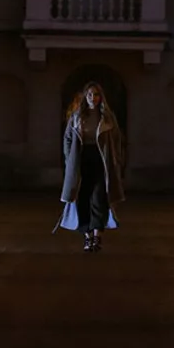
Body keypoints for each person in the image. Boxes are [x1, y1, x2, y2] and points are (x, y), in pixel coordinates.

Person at [55, 81, 125, 252]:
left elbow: (116, 139)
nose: (93, 98)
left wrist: (115, 158)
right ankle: (87, 236)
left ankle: (97, 236)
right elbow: (68, 139)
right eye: (89, 95)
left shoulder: (107, 117)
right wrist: (69, 158)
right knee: (82, 197)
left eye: (96, 94)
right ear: (85, 97)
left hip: (101, 159)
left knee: (99, 197)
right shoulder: (77, 117)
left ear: (101, 97)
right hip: (81, 159)